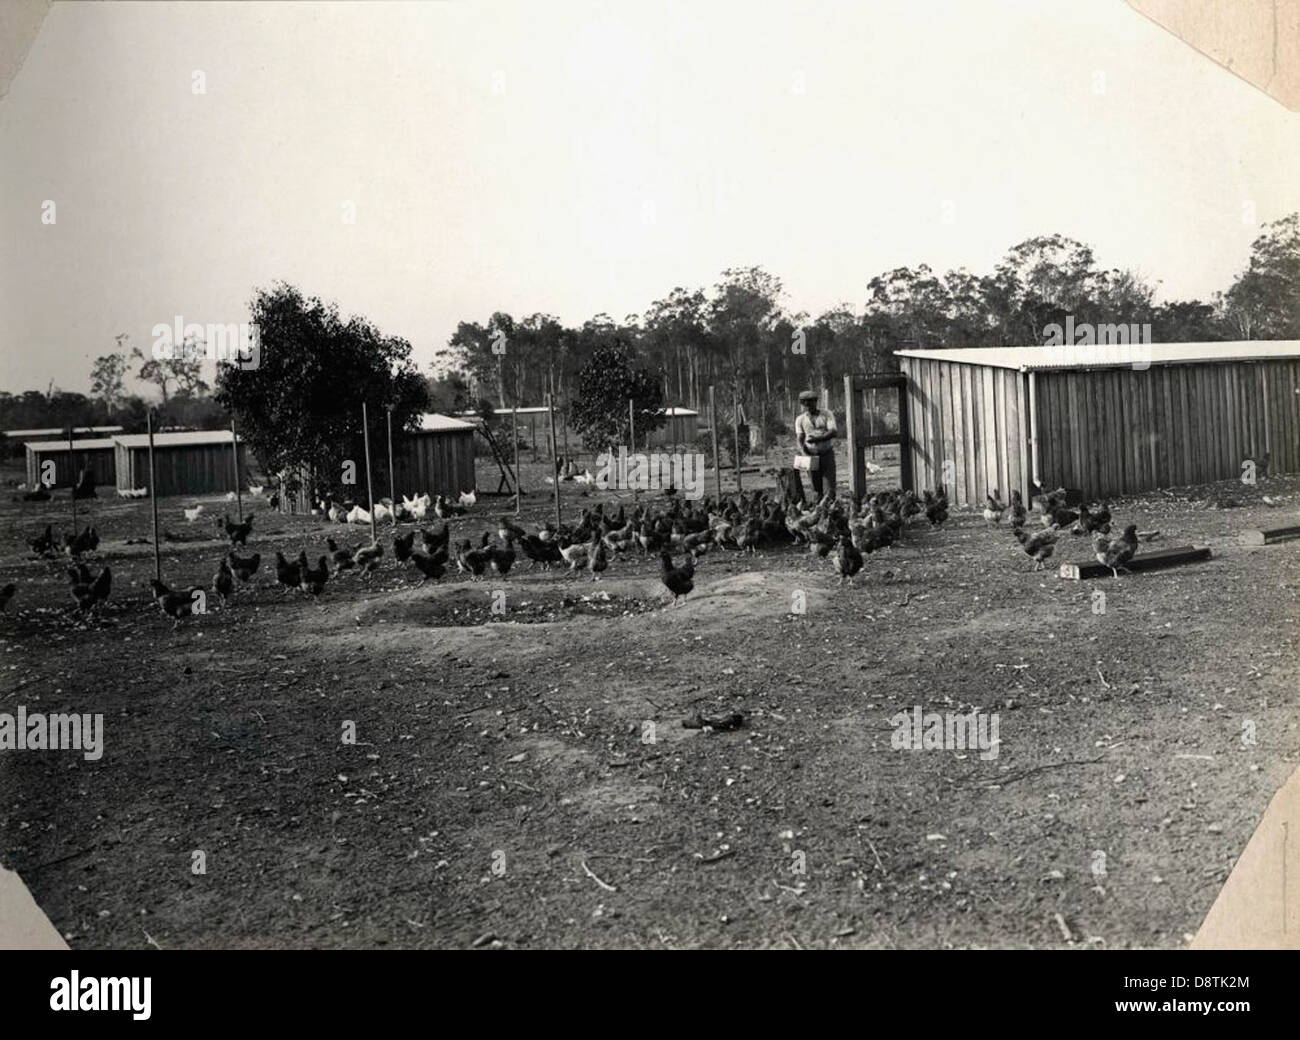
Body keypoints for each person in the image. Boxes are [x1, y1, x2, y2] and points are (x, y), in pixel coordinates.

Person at [794, 389, 838, 499]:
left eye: (812, 403)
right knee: (815, 488)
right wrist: (804, 453)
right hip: (811, 455)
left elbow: (833, 432)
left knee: (829, 487)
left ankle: (830, 511)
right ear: (803, 405)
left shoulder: (826, 414)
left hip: (826, 454)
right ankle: (818, 509)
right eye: (806, 404)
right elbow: (800, 438)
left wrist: (818, 439)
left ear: (816, 402)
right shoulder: (800, 419)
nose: (809, 406)